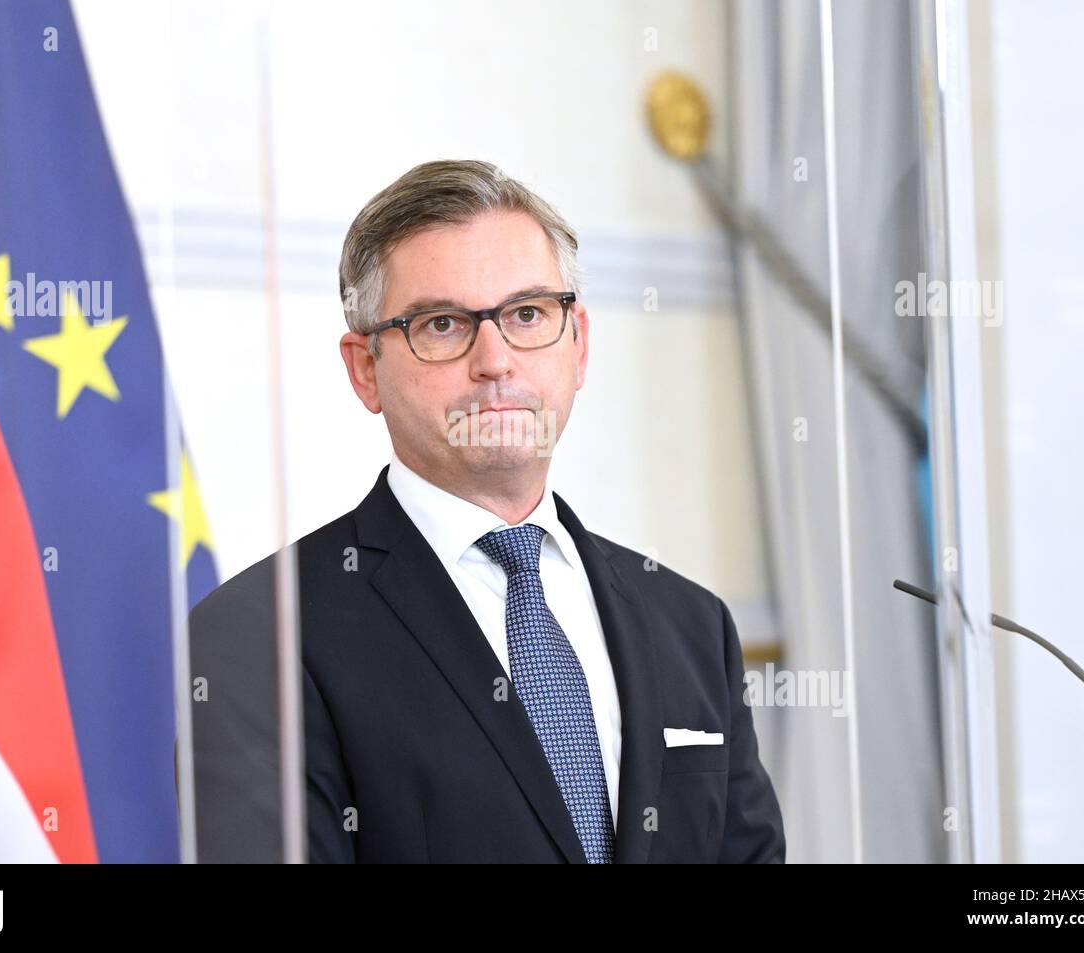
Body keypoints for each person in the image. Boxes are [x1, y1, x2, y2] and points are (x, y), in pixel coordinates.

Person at [189, 159, 785, 863]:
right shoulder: (260, 637)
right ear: (365, 368)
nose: (495, 359)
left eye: (527, 313)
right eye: (443, 324)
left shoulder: (691, 623)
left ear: (579, 343)